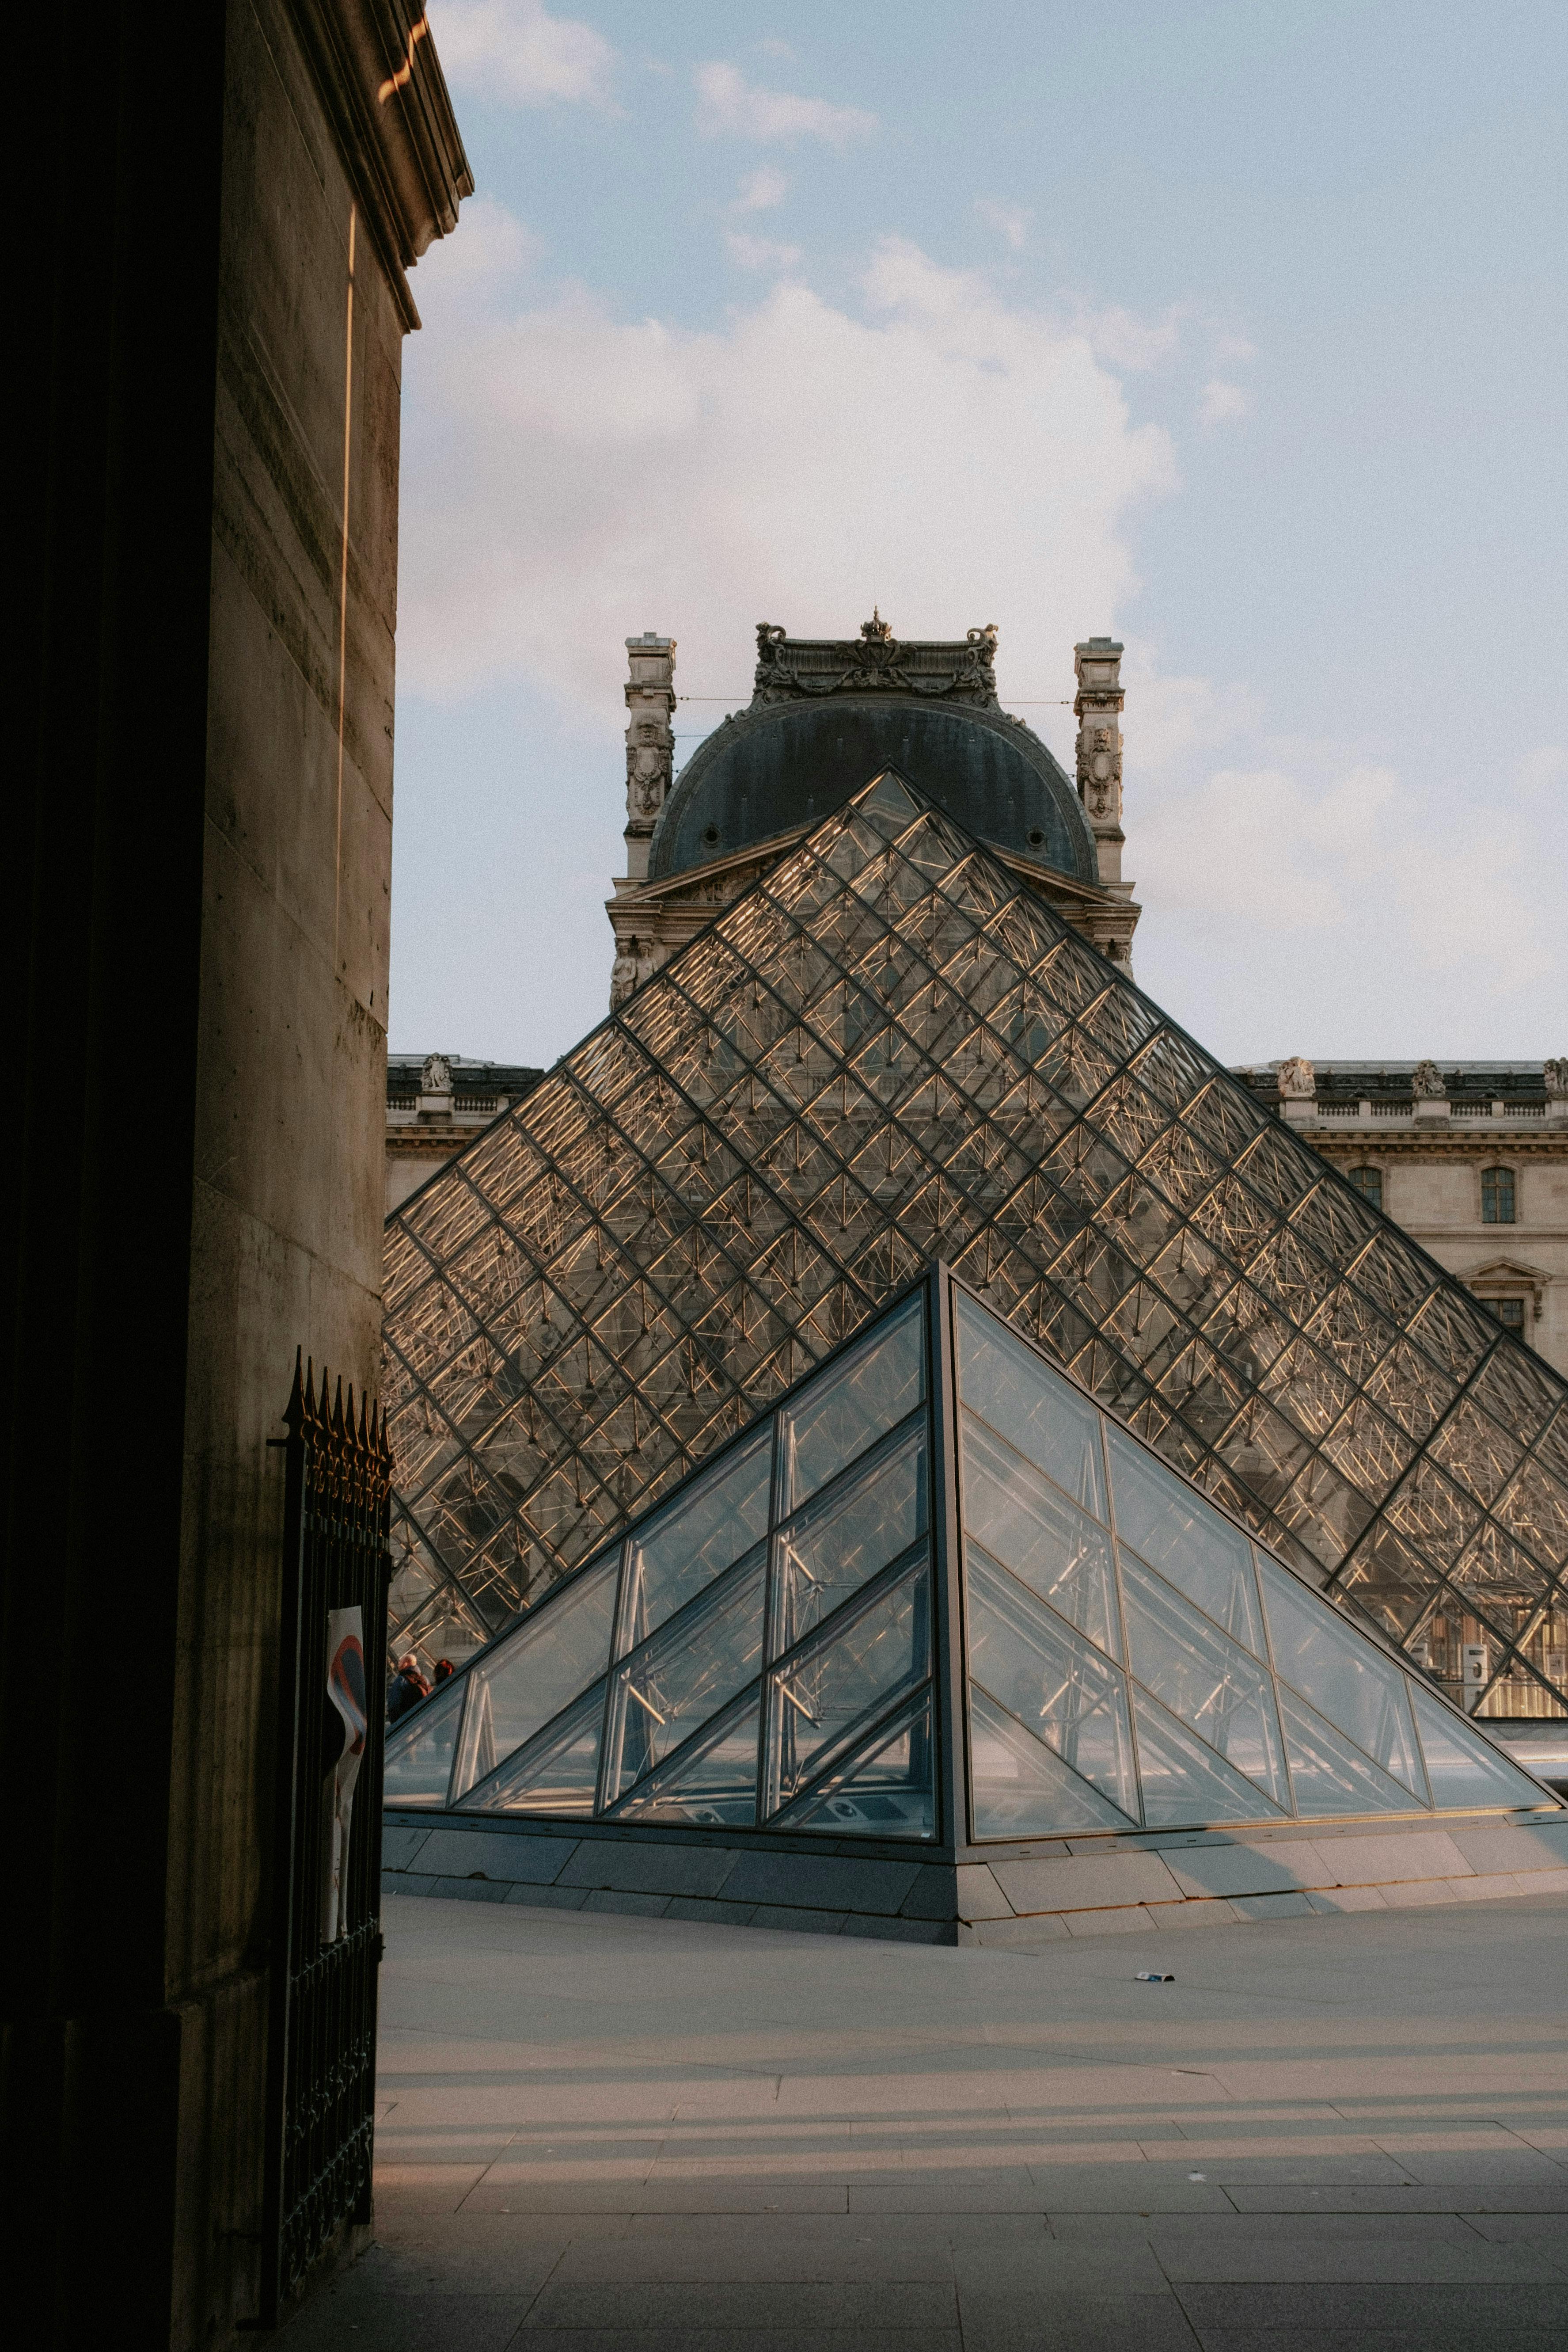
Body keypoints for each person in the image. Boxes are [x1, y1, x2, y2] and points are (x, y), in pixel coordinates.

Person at [387, 1651, 431, 1723]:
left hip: (406, 1722)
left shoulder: (401, 1680)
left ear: (405, 1664)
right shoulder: (425, 1680)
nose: (398, 1665)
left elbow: (393, 1706)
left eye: (400, 1662)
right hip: (422, 1720)